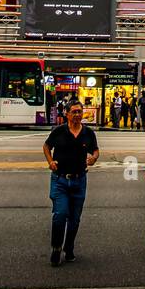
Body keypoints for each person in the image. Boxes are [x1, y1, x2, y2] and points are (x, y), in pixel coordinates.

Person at [42, 102, 100, 266]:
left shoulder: (88, 133)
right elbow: (46, 146)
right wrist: (50, 161)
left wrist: (94, 158)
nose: (77, 115)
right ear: (67, 114)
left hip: (79, 180)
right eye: (74, 112)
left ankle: (69, 248)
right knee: (60, 214)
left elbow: (95, 150)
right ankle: (56, 247)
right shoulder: (59, 131)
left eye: (80, 112)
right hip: (60, 180)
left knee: (74, 219)